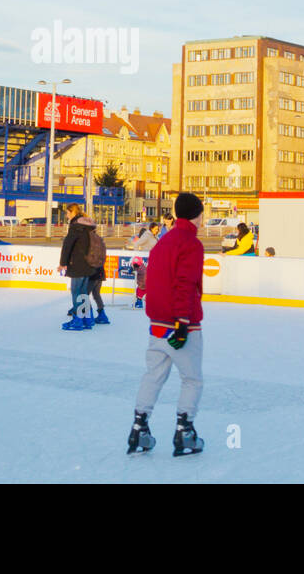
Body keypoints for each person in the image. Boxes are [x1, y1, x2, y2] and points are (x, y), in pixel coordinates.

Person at [127, 191, 206, 457]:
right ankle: (185, 432)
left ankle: (139, 427)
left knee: (153, 375)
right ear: (197, 215)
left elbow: (153, 281)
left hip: (158, 323)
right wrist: (182, 322)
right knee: (192, 379)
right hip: (181, 325)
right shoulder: (191, 244)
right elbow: (184, 284)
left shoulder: (164, 241)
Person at [58, 202, 99, 331]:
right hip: (88, 265)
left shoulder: (75, 226)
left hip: (77, 264)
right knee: (83, 293)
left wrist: (62, 263)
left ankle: (77, 320)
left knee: (76, 293)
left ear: (72, 212)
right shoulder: (88, 226)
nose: (66, 216)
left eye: (67, 213)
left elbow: (67, 245)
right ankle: (87, 319)